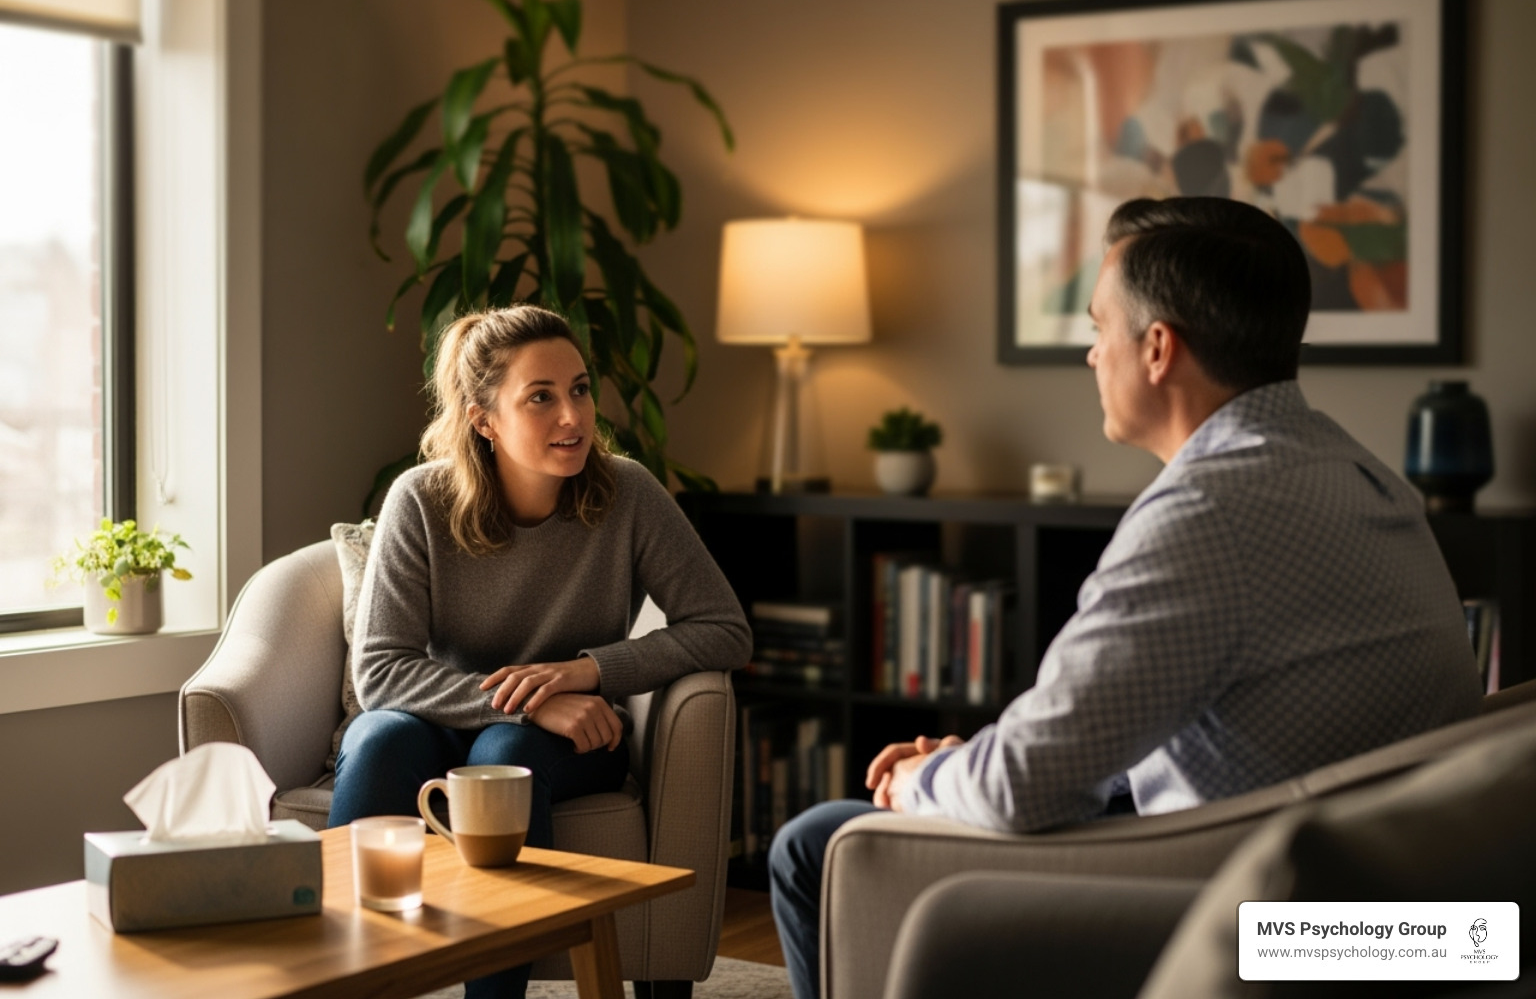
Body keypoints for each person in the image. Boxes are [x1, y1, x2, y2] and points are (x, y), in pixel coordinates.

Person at [769, 197, 1484, 999]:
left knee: (815, 845)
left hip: (1267, 912)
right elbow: (1183, 723)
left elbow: (1023, 789)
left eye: (1097, 328)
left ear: (1155, 348)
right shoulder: (1359, 472)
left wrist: (920, 784)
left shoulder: (1208, 511)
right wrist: (969, 763)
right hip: (1415, 911)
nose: (1089, 355)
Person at [329, 305, 751, 999]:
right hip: (445, 719)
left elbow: (724, 627)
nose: (572, 417)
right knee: (378, 741)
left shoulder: (628, 493)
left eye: (580, 389)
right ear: (482, 418)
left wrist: (588, 671)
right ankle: (340, 981)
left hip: (565, 739)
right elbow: (380, 672)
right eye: (541, 397)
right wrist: (534, 703)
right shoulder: (421, 501)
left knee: (504, 761)